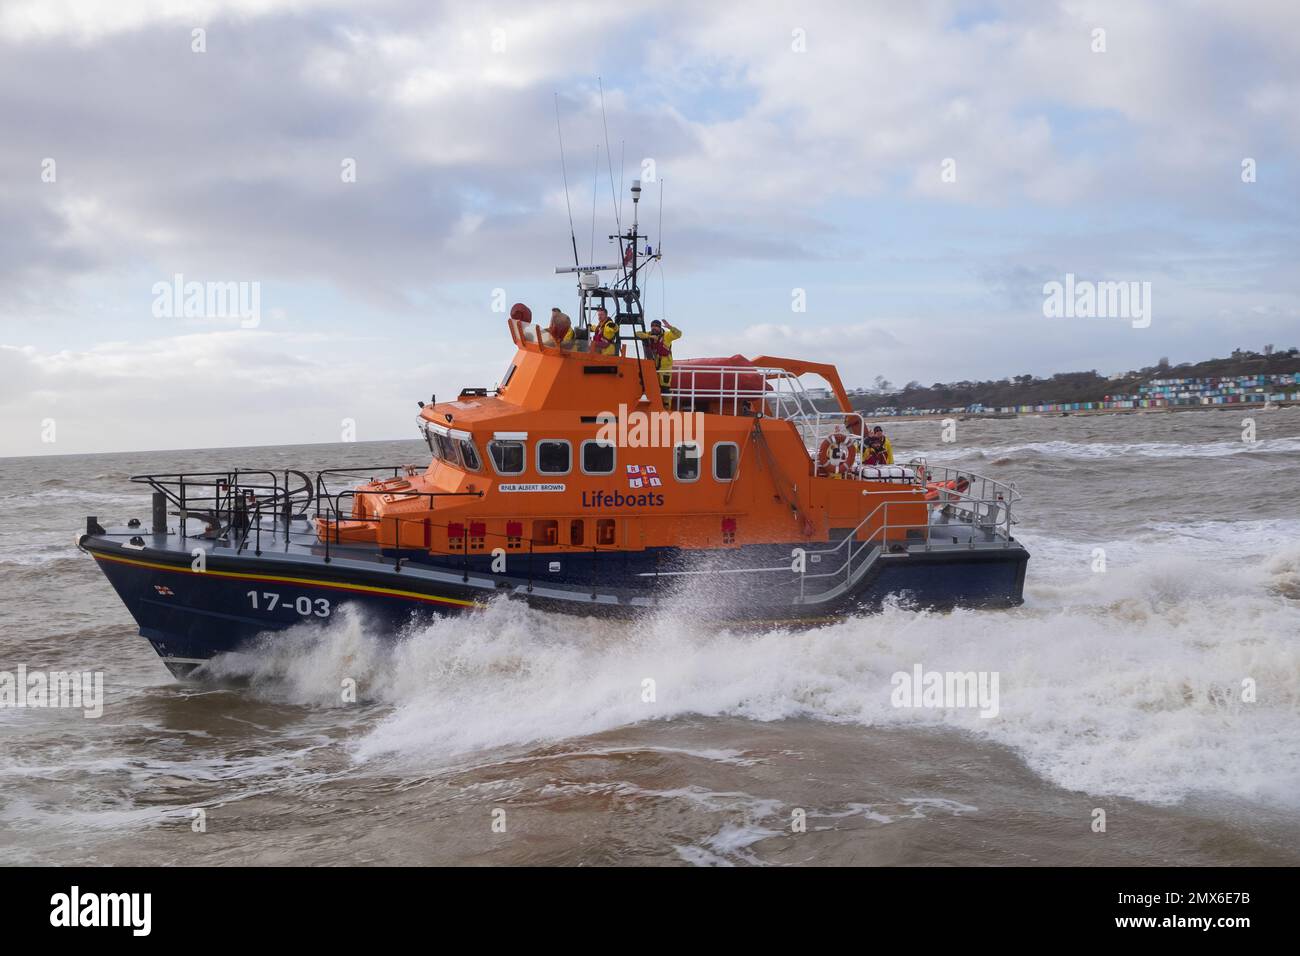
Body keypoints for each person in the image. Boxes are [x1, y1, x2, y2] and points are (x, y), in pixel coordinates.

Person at [636, 318, 681, 392]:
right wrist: (649, 337)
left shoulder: (667, 335)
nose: (654, 327)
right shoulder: (649, 334)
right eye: (652, 326)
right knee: (651, 386)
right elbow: (637, 333)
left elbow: (679, 334)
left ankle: (666, 403)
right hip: (653, 365)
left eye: (656, 326)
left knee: (665, 388)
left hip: (665, 367)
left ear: (660, 327)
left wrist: (670, 327)